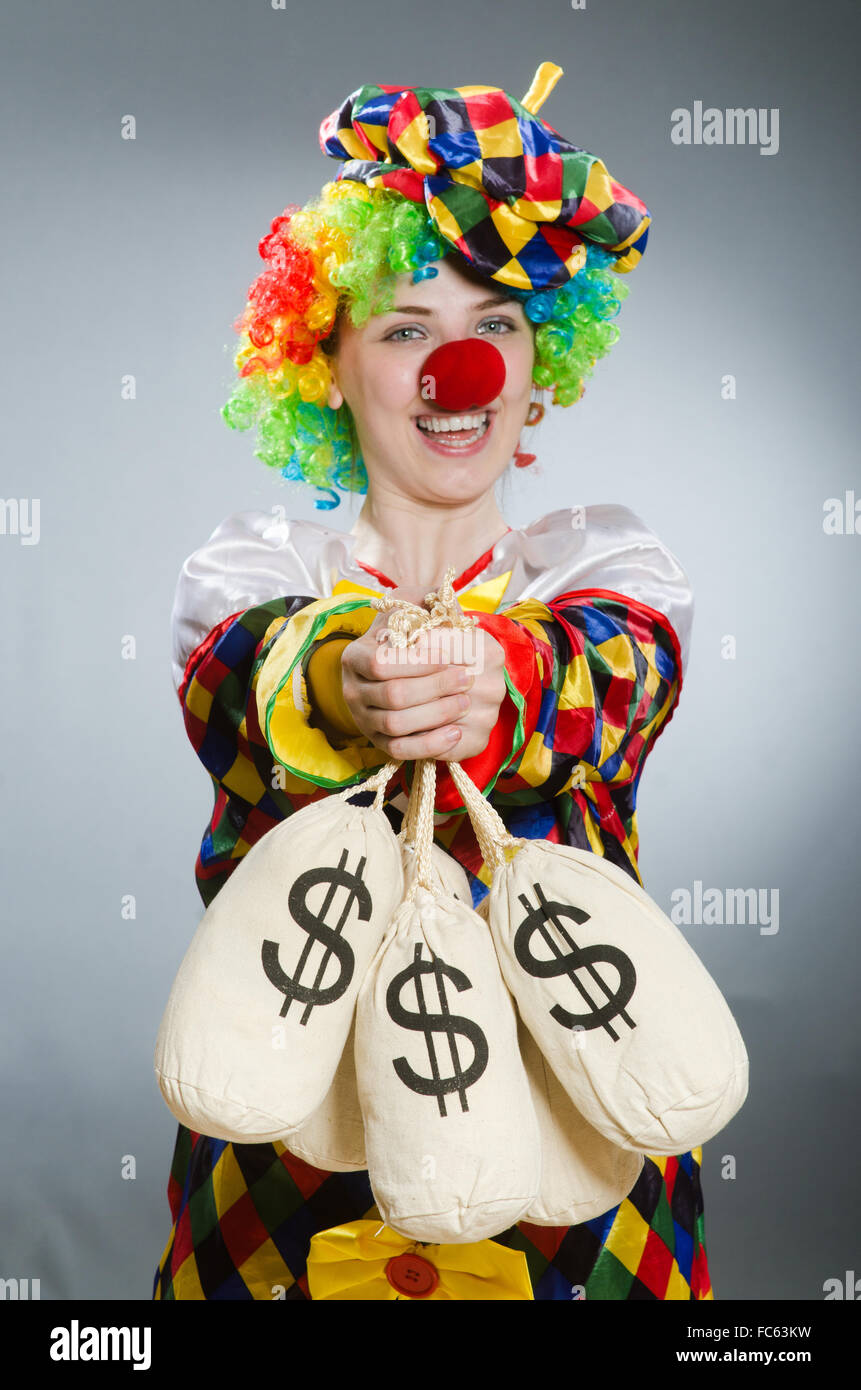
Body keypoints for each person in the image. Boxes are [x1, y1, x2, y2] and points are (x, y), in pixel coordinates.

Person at [153, 64, 709, 1301]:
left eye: (496, 328)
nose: (458, 375)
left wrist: (499, 676)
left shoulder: (604, 573)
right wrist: (349, 683)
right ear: (327, 366)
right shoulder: (252, 578)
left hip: (574, 1151)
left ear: (538, 361)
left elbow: (614, 677)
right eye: (407, 331)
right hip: (296, 1158)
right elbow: (244, 683)